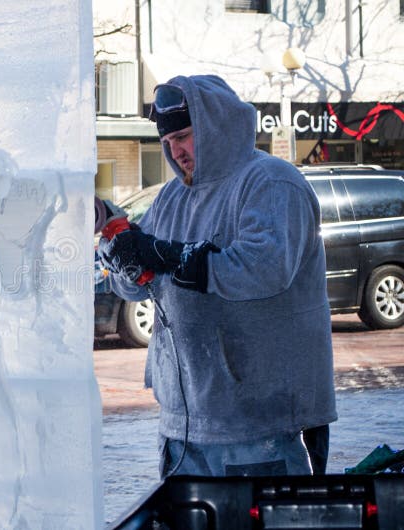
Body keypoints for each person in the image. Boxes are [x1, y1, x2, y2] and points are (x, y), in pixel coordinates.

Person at [99, 75, 337, 477]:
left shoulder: (271, 182)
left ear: (217, 125)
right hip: (185, 423)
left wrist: (172, 257)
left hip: (265, 421)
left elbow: (264, 269)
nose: (177, 151)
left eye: (185, 136)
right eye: (169, 141)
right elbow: (133, 285)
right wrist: (123, 250)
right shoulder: (173, 196)